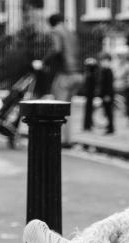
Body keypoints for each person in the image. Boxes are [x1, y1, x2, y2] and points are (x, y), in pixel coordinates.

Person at [44, 13, 83, 147]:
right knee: (67, 108)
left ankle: (60, 139)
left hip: (65, 75)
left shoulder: (56, 31)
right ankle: (68, 139)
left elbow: (56, 49)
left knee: (59, 108)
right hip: (78, 74)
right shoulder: (71, 32)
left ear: (52, 23)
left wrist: (44, 61)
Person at [112, 45, 129, 125]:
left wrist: (115, 78)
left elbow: (121, 75)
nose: (119, 58)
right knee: (127, 102)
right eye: (118, 56)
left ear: (124, 56)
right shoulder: (123, 64)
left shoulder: (127, 65)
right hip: (128, 86)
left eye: (120, 56)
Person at [98, 52, 116, 134]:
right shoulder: (104, 71)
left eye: (104, 60)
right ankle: (109, 126)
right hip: (104, 94)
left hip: (107, 95)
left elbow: (109, 85)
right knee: (107, 111)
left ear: (109, 61)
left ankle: (111, 128)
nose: (102, 62)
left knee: (109, 112)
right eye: (102, 61)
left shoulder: (108, 71)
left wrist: (107, 95)